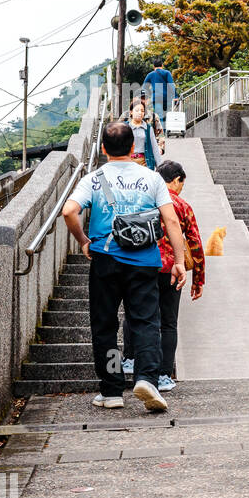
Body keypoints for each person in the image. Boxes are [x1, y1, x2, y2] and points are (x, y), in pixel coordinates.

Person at [60, 121, 186, 412]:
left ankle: (112, 390)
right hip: (144, 261)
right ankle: (147, 379)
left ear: (103, 149)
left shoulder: (94, 179)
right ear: (133, 148)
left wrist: (83, 240)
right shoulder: (152, 178)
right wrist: (178, 262)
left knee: (105, 325)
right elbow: (171, 221)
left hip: (106, 259)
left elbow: (68, 211)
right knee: (145, 322)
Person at [122, 160, 205, 393]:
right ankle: (163, 375)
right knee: (168, 323)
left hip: (141, 266)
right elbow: (196, 244)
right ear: (176, 180)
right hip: (170, 269)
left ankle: (129, 360)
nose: (180, 188)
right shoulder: (181, 205)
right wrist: (198, 279)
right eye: (181, 184)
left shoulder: (141, 199)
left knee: (135, 314)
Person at [122, 99, 162, 170]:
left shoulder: (148, 128)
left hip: (145, 163)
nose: (140, 113)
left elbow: (154, 148)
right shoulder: (125, 127)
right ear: (131, 112)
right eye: (137, 110)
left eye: (142, 111)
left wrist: (160, 167)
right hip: (128, 163)